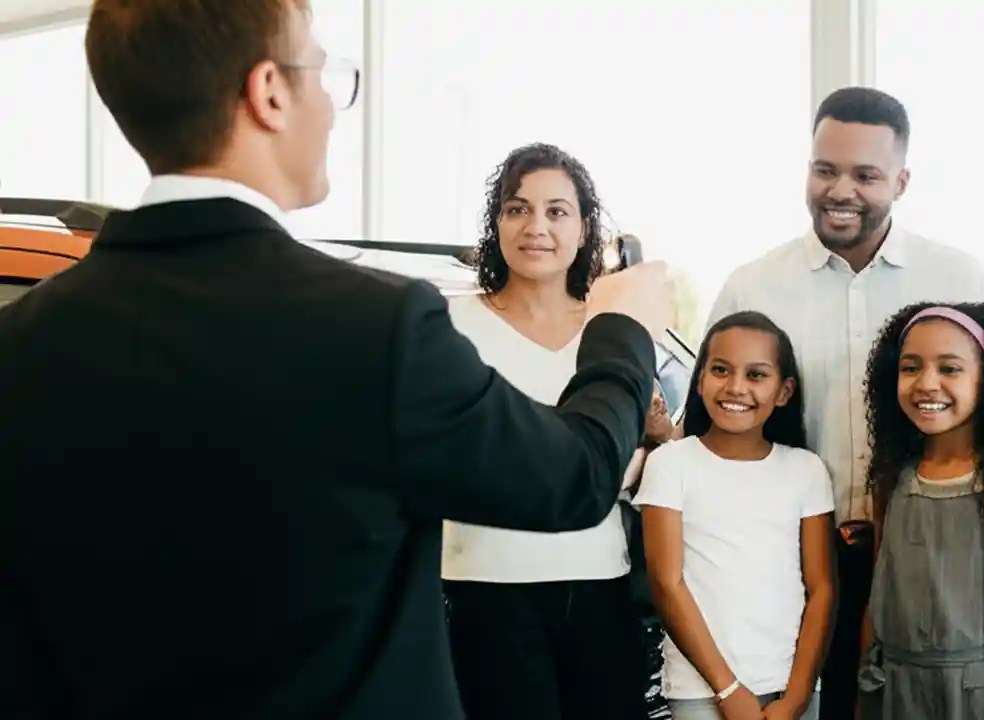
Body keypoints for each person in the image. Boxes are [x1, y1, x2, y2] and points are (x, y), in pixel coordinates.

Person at [0, 2, 673, 719]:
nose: (330, 102)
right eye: (325, 73)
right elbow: (574, 477)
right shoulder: (383, 329)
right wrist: (622, 325)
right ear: (269, 93)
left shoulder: (24, 345)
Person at [706, 85, 984, 720]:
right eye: (824, 169)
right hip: (785, 558)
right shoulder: (750, 287)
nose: (841, 190)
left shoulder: (963, 282)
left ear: (902, 180)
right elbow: (711, 429)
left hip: (930, 552)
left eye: (866, 174)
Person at [442, 142, 651, 720]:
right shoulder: (451, 323)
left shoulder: (613, 331)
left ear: (585, 229)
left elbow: (638, 451)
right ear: (497, 223)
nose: (536, 226)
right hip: (484, 586)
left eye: (557, 211)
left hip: (599, 581)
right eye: (517, 208)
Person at [857, 302, 984, 719]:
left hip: (979, 696)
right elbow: (876, 603)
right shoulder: (891, 477)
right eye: (911, 367)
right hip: (895, 693)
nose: (926, 384)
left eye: (950, 369)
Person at [635, 311, 836, 720]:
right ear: (701, 379)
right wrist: (727, 690)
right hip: (701, 688)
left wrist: (797, 695)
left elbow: (822, 590)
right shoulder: (671, 464)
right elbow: (666, 583)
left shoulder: (806, 470)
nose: (736, 387)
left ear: (784, 391)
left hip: (790, 689)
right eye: (721, 370)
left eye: (757, 375)